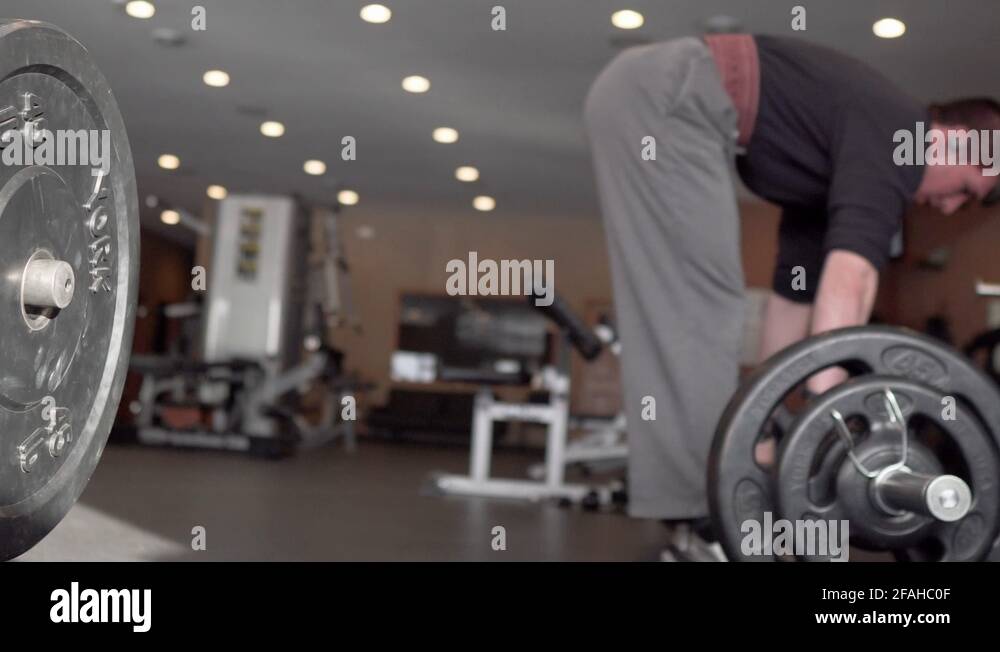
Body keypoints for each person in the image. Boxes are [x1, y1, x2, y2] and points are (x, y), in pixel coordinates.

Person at [582, 33, 1000, 536]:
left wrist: (764, 434)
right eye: (965, 188)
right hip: (670, 97)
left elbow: (792, 304)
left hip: (654, 92)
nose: (951, 206)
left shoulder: (837, 171)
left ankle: (717, 496)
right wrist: (835, 422)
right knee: (700, 304)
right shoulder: (897, 134)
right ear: (955, 138)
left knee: (698, 303)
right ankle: (706, 500)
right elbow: (855, 275)